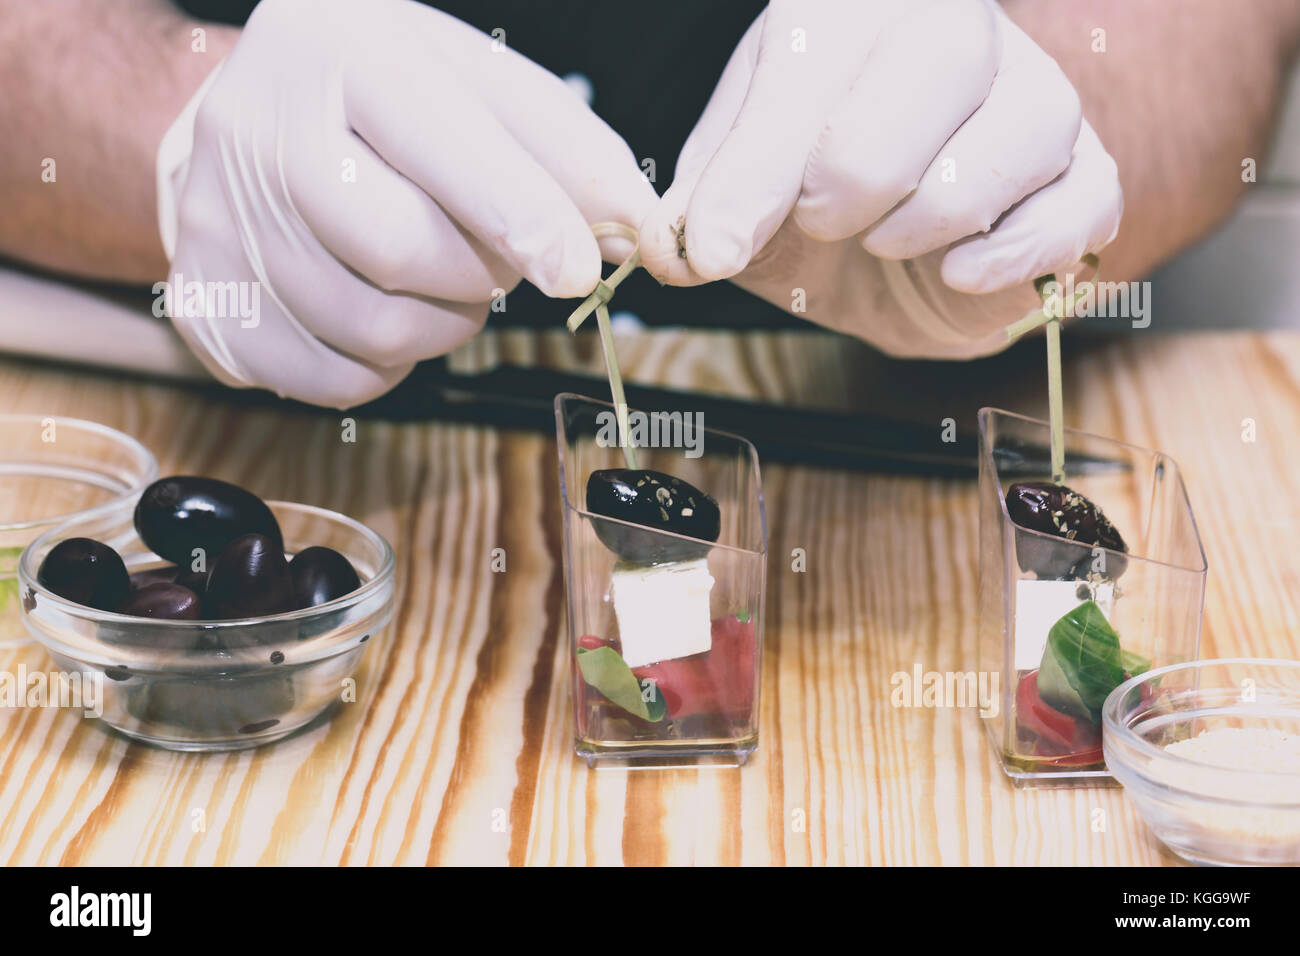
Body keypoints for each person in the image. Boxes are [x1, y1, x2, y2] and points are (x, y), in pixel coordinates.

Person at [2, 0, 1298, 407]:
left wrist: (1015, 138)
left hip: (908, 440)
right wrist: (174, 130)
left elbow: (1198, 30)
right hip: (179, 392)